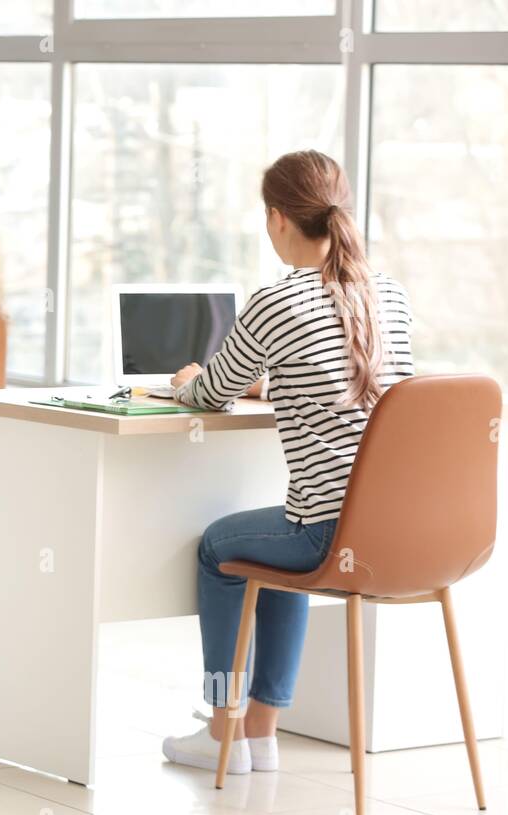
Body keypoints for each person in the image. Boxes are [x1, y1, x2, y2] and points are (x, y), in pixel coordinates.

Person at [161, 150, 415, 776]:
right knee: (274, 557)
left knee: (220, 548)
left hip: (327, 531)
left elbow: (210, 392)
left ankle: (223, 731)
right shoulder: (390, 292)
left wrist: (191, 379)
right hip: (401, 531)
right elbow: (363, 388)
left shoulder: (276, 300)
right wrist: (275, 385)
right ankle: (262, 737)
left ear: (277, 219)